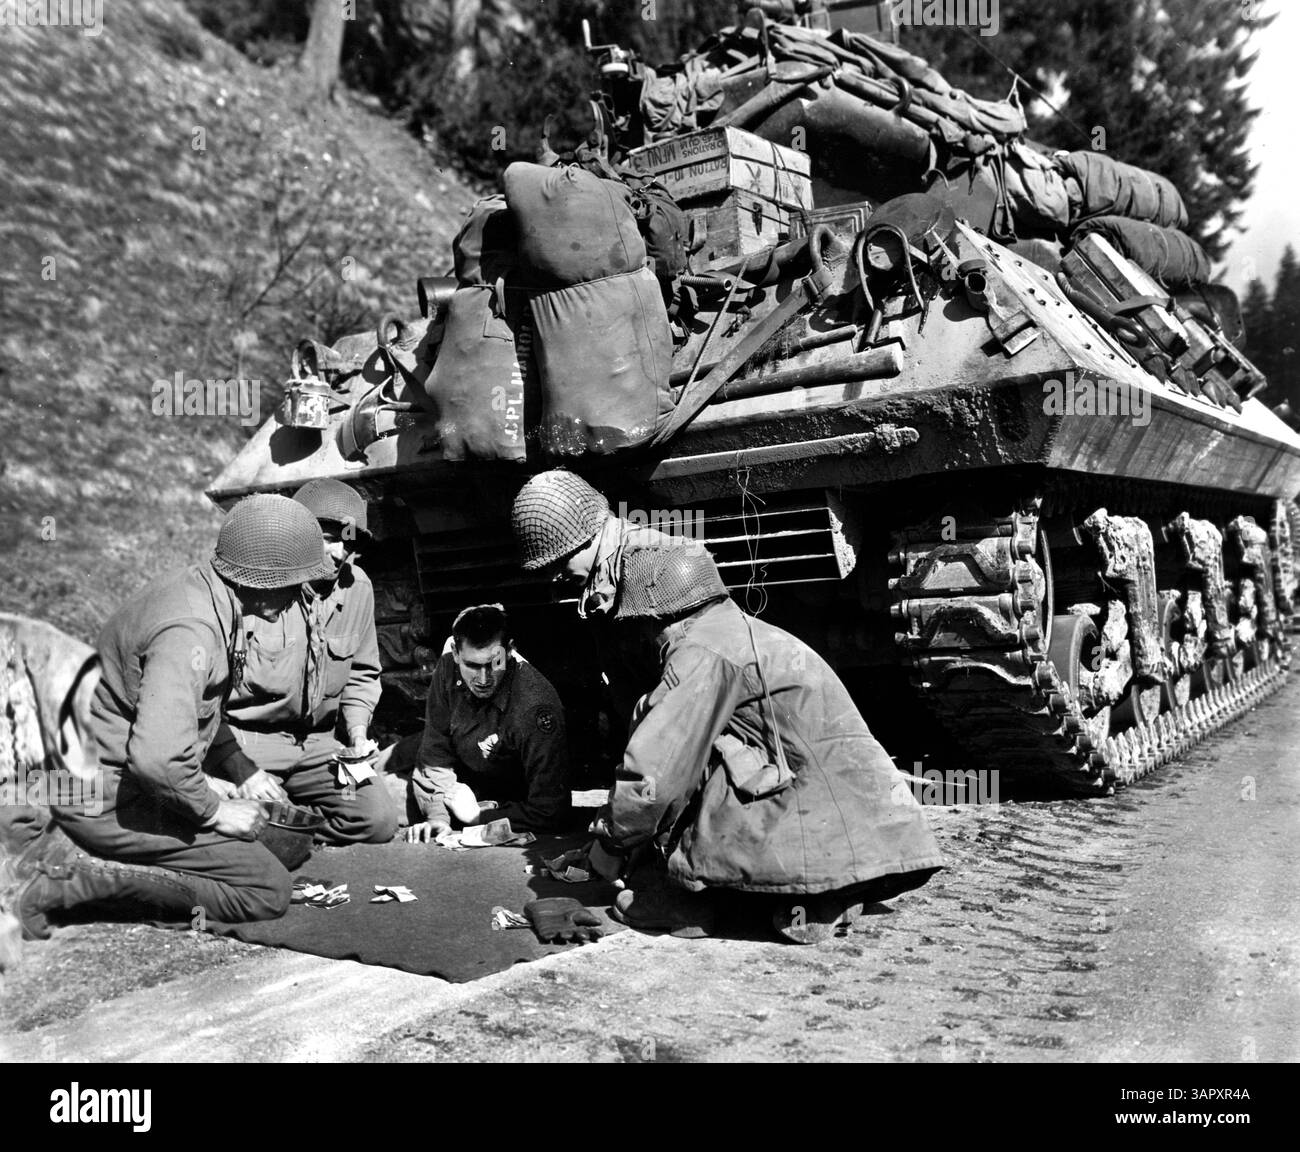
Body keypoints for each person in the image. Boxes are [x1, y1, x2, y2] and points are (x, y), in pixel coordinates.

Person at [511, 470, 945, 943]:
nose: (559, 580)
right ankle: (791, 887)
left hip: (834, 817)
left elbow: (658, 770)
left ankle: (797, 889)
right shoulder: (712, 632)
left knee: (679, 787)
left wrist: (612, 843)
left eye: (561, 564)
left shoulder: (702, 653)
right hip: (854, 820)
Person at [1, 494, 333, 941]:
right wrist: (215, 812)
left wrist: (226, 772)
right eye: (295, 584)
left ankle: (80, 852)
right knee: (265, 889)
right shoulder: (191, 629)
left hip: (103, 784)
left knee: (272, 849)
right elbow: (158, 760)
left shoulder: (206, 593)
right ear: (265, 579)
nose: (298, 598)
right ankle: (63, 882)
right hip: (109, 800)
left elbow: (193, 711)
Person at [210, 479, 397, 846]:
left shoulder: (357, 587)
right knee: (243, 828)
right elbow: (205, 697)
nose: (342, 552)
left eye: (350, 542)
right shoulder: (256, 587)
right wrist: (235, 765)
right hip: (251, 744)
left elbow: (362, 672)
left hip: (319, 747)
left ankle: (292, 826)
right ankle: (278, 824)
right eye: (329, 538)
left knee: (376, 820)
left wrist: (357, 734)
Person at [403, 604, 570, 842]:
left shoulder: (534, 706)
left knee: (378, 815)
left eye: (494, 664)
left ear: (509, 651)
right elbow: (434, 754)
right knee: (365, 780)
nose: (483, 679)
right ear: (456, 653)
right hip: (453, 771)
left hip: (498, 796)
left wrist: (478, 817)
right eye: (471, 666)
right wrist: (438, 817)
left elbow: (550, 809)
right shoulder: (448, 666)